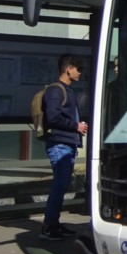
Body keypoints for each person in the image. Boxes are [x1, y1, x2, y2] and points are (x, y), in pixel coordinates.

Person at [40, 54, 88, 241]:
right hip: (59, 144)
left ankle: (54, 224)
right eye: (78, 69)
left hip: (66, 144)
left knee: (61, 186)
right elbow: (53, 117)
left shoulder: (66, 90)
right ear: (69, 69)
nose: (80, 73)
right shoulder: (55, 91)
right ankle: (48, 226)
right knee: (59, 186)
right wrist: (76, 126)